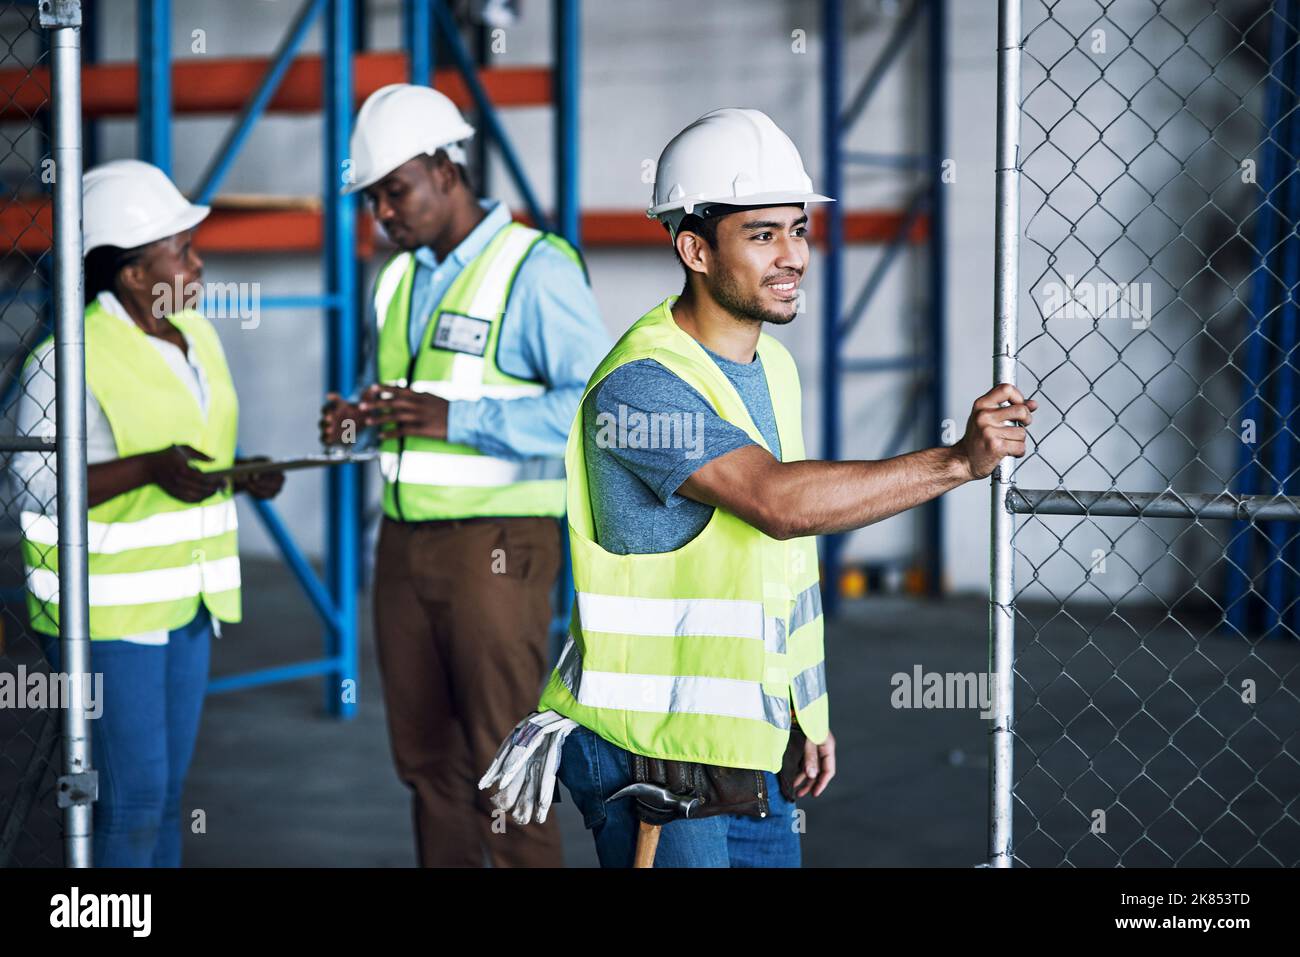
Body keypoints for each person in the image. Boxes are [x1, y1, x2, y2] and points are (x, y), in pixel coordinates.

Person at [481, 108, 1037, 868]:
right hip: (655, 766)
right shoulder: (639, 387)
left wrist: (805, 710)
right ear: (695, 249)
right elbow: (779, 504)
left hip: (749, 748)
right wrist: (956, 462)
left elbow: (780, 569)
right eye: (762, 234)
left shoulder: (772, 368)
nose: (794, 256)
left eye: (799, 230)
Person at [318, 84, 609, 867]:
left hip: (499, 547)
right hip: (404, 546)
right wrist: (355, 425)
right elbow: (397, 408)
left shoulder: (536, 268)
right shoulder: (398, 279)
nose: (383, 211)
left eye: (395, 190)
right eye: (374, 197)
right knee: (425, 766)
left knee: (502, 767)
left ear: (446, 170)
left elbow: (589, 409)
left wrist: (457, 419)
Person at [11, 159, 285, 867]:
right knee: (132, 802)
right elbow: (31, 487)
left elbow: (195, 442)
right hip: (108, 615)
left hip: (188, 602)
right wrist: (148, 467)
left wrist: (239, 471)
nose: (198, 264)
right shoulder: (66, 359)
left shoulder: (195, 334)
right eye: (181, 251)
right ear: (132, 273)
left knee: (163, 797)